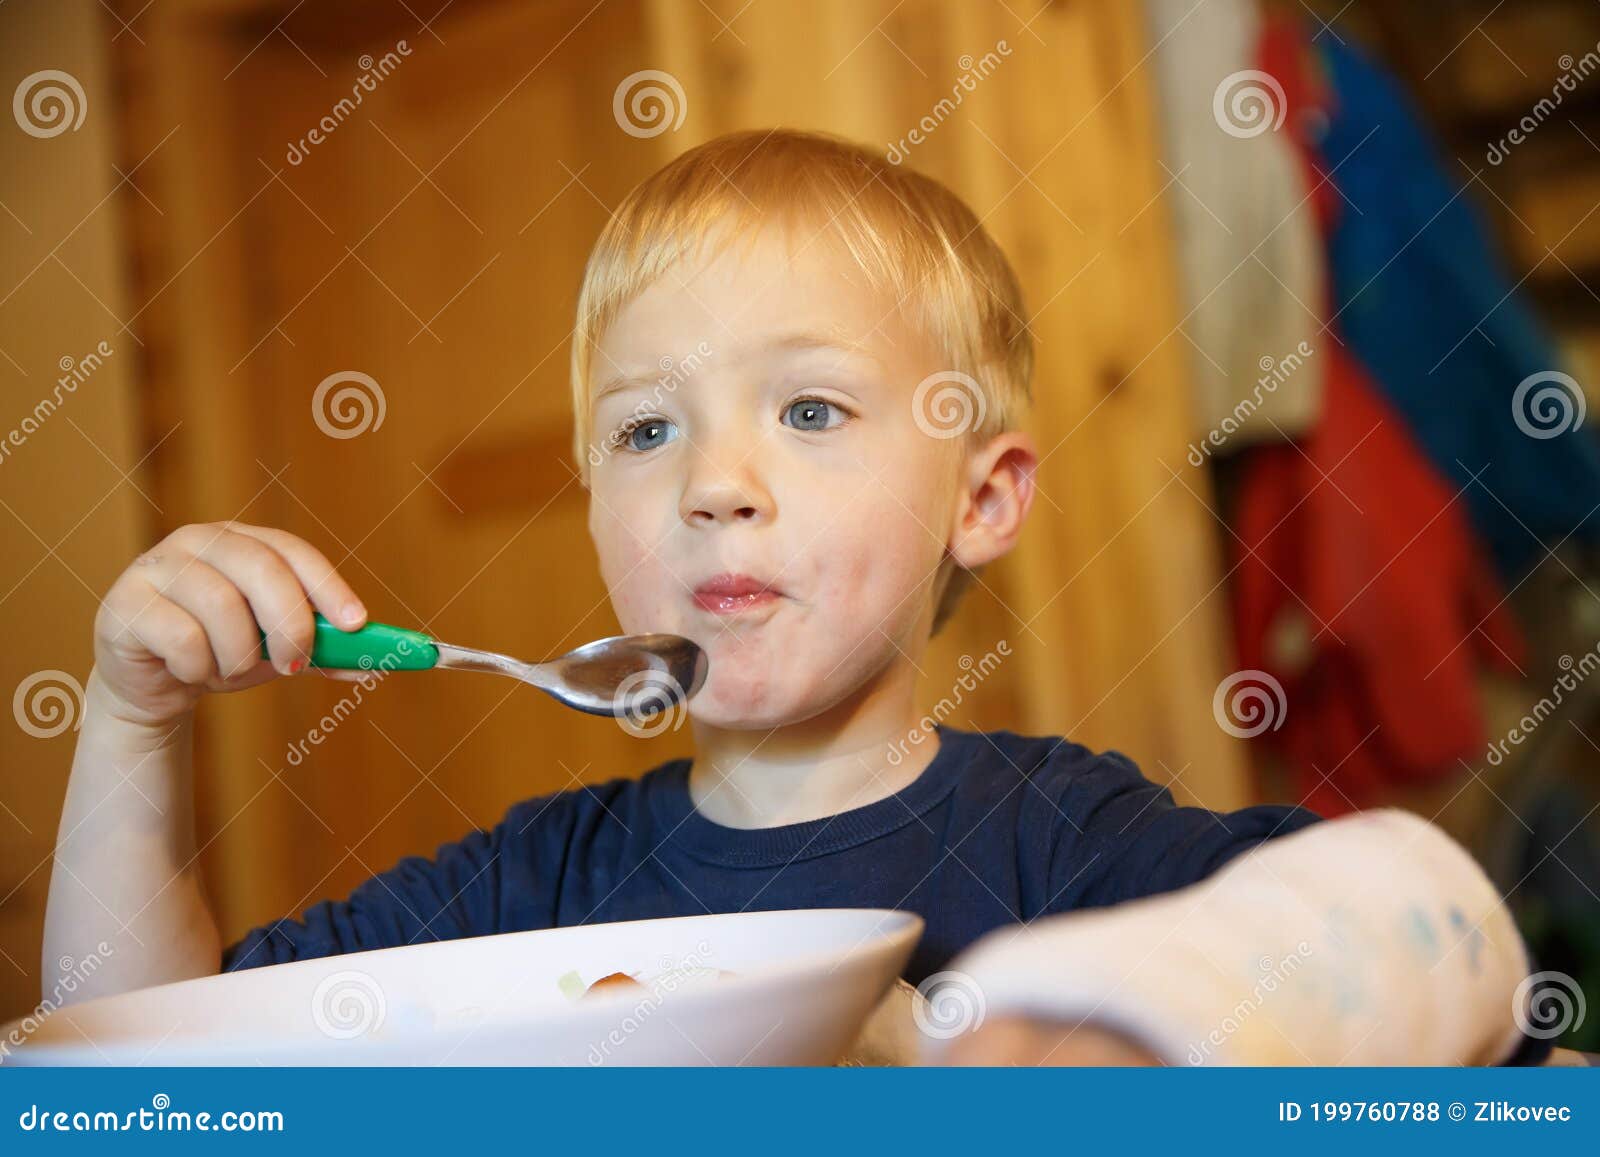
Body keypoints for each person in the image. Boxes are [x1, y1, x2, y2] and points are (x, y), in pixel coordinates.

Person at [44, 129, 1549, 1066]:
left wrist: (1127, 1023)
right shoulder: (532, 889)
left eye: (811, 411)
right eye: (646, 431)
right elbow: (136, 1066)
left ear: (984, 497)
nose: (714, 481)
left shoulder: (1061, 844)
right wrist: (129, 719)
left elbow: (1430, 921)